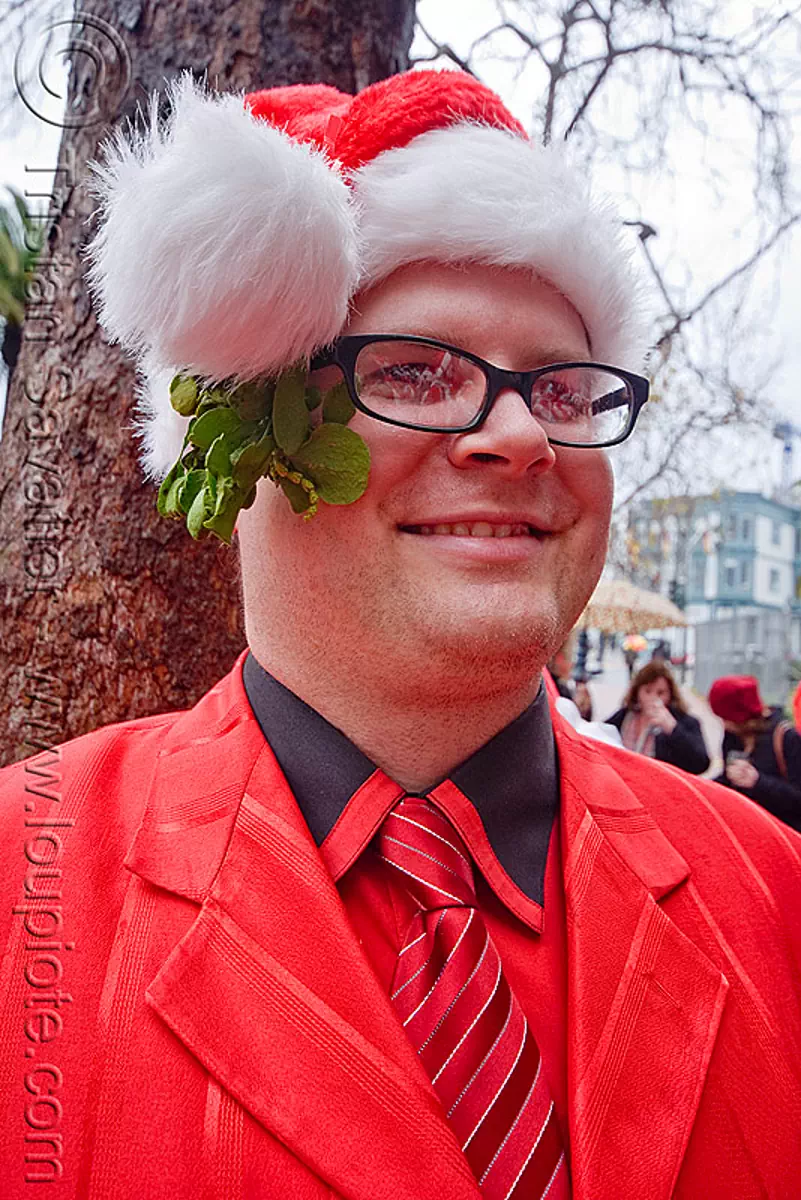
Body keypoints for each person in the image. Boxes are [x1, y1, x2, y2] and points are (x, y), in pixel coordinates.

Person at [1, 70, 800, 1200]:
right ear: (244, 442)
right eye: (418, 372)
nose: (523, 434)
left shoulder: (775, 893)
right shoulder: (19, 885)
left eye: (566, 390)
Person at [709, 674, 801, 833]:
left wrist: (758, 782)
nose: (724, 723)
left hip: (782, 834)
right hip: (747, 830)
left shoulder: (785, 737)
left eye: (725, 718)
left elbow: (797, 798)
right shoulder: (733, 735)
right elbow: (728, 778)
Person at [605, 660, 710, 775]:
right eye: (647, 691)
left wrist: (673, 729)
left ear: (670, 695)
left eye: (660, 693)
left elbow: (700, 763)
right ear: (637, 692)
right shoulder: (625, 716)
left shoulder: (685, 722)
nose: (653, 698)